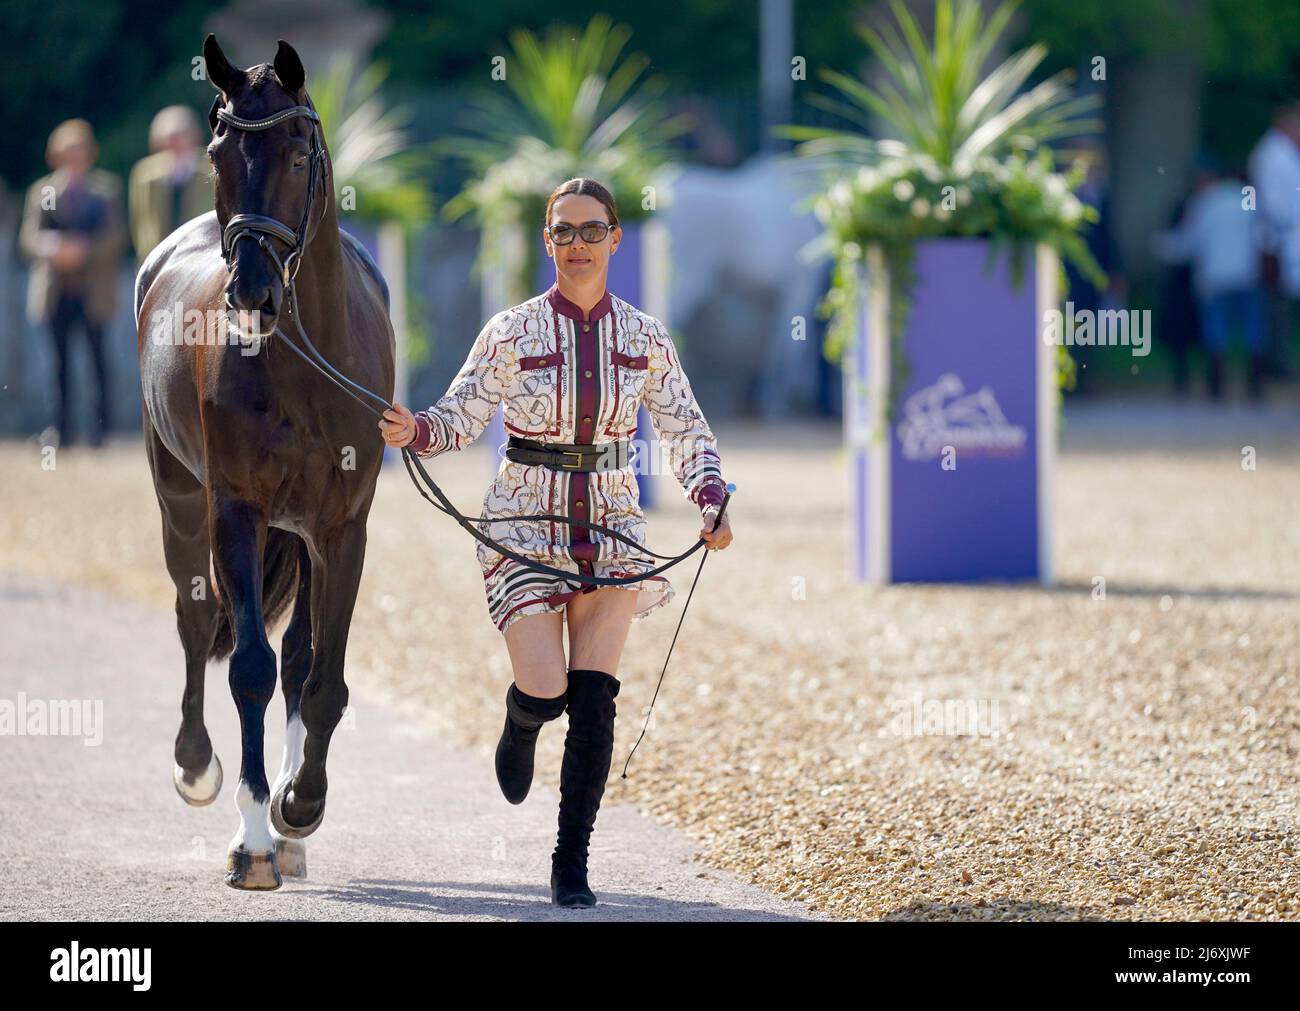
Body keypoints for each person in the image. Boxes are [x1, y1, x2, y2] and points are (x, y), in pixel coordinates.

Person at [379, 177, 735, 908]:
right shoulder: (509, 330)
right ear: (547, 242)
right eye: (563, 231)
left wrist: (710, 496)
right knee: (546, 687)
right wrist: (414, 430)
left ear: (615, 238)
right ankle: (521, 720)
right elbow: (461, 413)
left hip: (612, 526)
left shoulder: (646, 336)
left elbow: (685, 427)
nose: (578, 244)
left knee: (596, 697)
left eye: (591, 229)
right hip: (522, 523)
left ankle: (570, 861)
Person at [19, 118, 126, 447]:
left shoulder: (105, 191)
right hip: (55, 292)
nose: (73, 157)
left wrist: (85, 251)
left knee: (97, 362)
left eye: (78, 150)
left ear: (90, 154)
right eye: (67, 151)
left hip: (93, 292)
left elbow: (116, 236)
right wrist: (52, 248)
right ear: (54, 155)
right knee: (57, 365)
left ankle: (100, 431)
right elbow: (29, 237)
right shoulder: (43, 192)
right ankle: (59, 430)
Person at [1153, 157, 1266, 400]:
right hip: (1246, 275)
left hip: (1215, 278)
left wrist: (1163, 247)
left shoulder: (1205, 202)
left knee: (1216, 332)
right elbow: (1262, 237)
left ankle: (1217, 387)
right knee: (1252, 330)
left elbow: (1190, 242)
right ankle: (1255, 386)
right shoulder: (1247, 201)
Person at [1247, 102, 1300, 379]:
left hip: (1282, 240)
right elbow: (1278, 205)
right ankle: (1274, 364)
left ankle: (1275, 361)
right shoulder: (1274, 154)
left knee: (1280, 307)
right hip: (1276, 242)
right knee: (1276, 308)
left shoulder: (1280, 153)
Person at [128, 105, 212, 263]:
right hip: (159, 259)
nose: (173, 142)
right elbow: (139, 223)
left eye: (180, 135)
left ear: (194, 136)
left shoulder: (211, 168)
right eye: (167, 137)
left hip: (202, 258)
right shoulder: (145, 174)